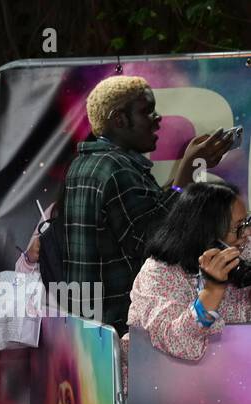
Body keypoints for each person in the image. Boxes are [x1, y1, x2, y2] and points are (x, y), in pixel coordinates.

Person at [62, 75, 236, 335]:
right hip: (119, 327)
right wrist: (187, 171)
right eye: (147, 111)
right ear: (119, 119)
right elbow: (154, 240)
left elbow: (146, 212)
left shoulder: (87, 163)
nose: (158, 119)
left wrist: (185, 173)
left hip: (93, 327)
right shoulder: (115, 169)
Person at [126, 181, 251, 373]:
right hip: (164, 387)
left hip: (231, 381)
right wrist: (213, 292)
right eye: (238, 227)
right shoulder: (159, 274)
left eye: (247, 222)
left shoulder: (243, 249)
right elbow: (180, 342)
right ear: (207, 235)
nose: (247, 233)